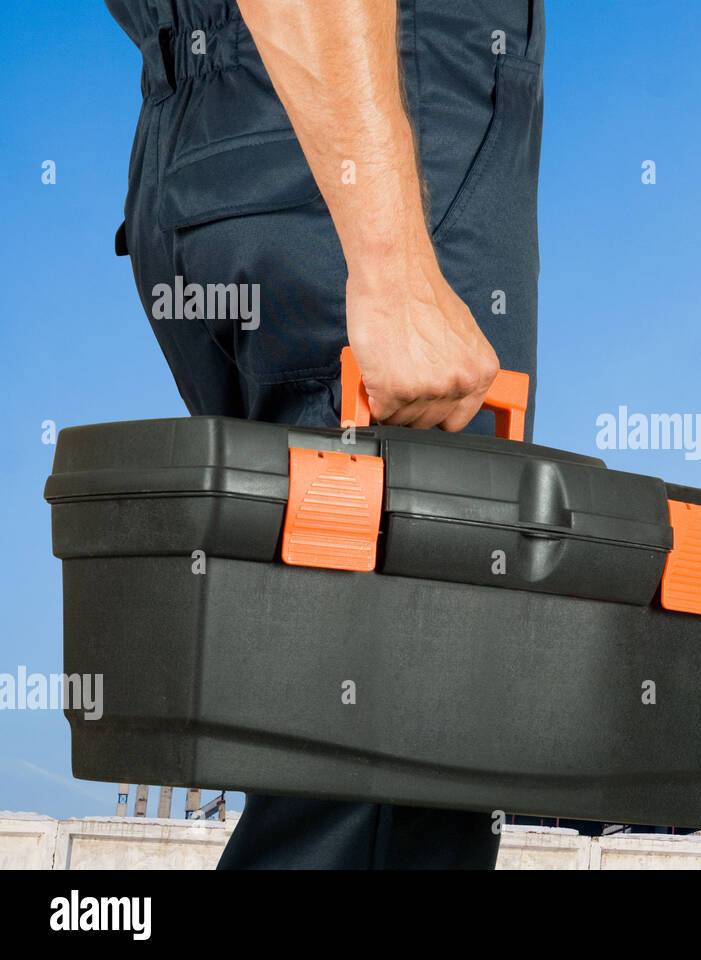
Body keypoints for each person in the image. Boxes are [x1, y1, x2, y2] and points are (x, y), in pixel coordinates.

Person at [104, 0, 544, 868]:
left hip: (229, 131)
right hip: (373, 120)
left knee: (332, 758)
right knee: (394, 759)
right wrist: (392, 262)